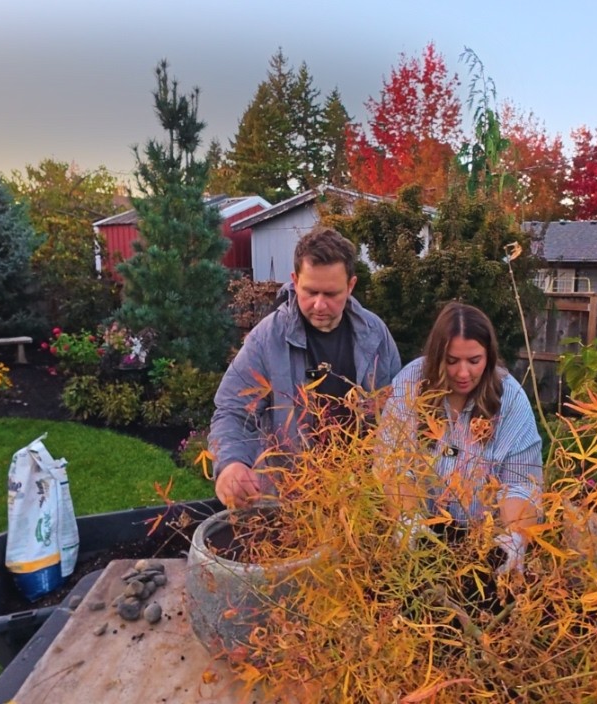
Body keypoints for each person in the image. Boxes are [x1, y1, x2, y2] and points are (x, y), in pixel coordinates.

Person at [210, 227, 401, 508]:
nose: (319, 304)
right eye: (310, 291)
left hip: (361, 500)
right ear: (295, 280)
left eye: (331, 293)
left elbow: (397, 413)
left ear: (351, 286)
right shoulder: (267, 339)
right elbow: (233, 412)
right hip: (291, 501)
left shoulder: (374, 335)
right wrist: (231, 463)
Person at [379, 302, 543, 576]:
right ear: (435, 356)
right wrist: (407, 518)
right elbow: (391, 463)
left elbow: (522, 483)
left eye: (474, 361)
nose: (463, 373)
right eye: (452, 361)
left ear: (488, 357)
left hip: (483, 547)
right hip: (419, 539)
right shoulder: (410, 384)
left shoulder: (511, 400)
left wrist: (515, 537)